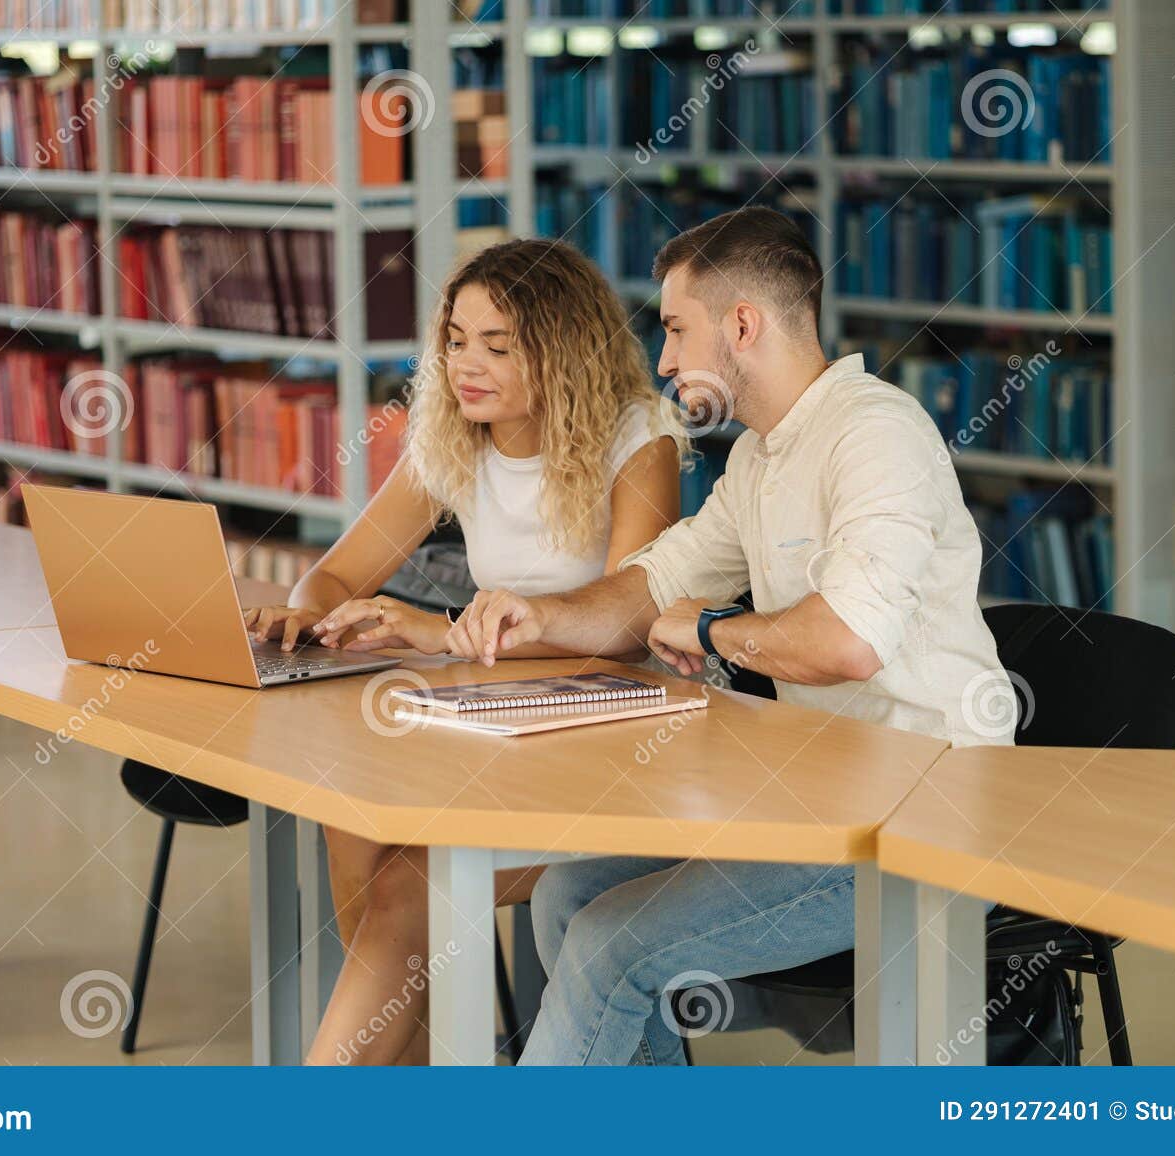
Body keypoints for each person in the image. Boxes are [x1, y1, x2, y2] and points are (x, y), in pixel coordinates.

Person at [445, 206, 1015, 1065]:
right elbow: (650, 588)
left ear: (741, 326)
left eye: (676, 329)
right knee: (567, 894)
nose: (665, 359)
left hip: (922, 808)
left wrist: (713, 632)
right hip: (824, 797)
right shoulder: (757, 460)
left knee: (612, 946)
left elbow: (849, 642)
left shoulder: (877, 433)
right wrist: (540, 613)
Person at [242, 238, 687, 1065]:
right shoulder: (454, 433)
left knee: (410, 881)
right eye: (454, 340)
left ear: (562, 349)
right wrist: (313, 620)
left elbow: (630, 625)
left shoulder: (638, 437)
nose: (464, 365)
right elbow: (335, 573)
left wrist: (442, 634)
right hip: (493, 719)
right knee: (354, 824)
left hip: (613, 739)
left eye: (498, 344)